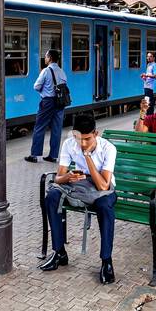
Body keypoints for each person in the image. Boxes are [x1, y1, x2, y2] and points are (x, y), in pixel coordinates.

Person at [40, 112, 119, 284]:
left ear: (96, 134)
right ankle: (59, 252)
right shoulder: (69, 144)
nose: (82, 144)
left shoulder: (108, 148)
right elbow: (58, 179)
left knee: (105, 206)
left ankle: (106, 261)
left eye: (87, 139)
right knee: (52, 196)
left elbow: (103, 186)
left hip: (101, 188)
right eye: (78, 139)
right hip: (78, 186)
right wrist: (68, 177)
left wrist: (87, 156)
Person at [26, 48, 66, 163]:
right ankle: (53, 156)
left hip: (47, 102)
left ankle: (35, 155)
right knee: (56, 129)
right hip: (60, 103)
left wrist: (45, 92)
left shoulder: (46, 71)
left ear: (50, 58)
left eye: (46, 56)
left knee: (39, 127)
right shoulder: (62, 71)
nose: (45, 58)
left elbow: (36, 87)